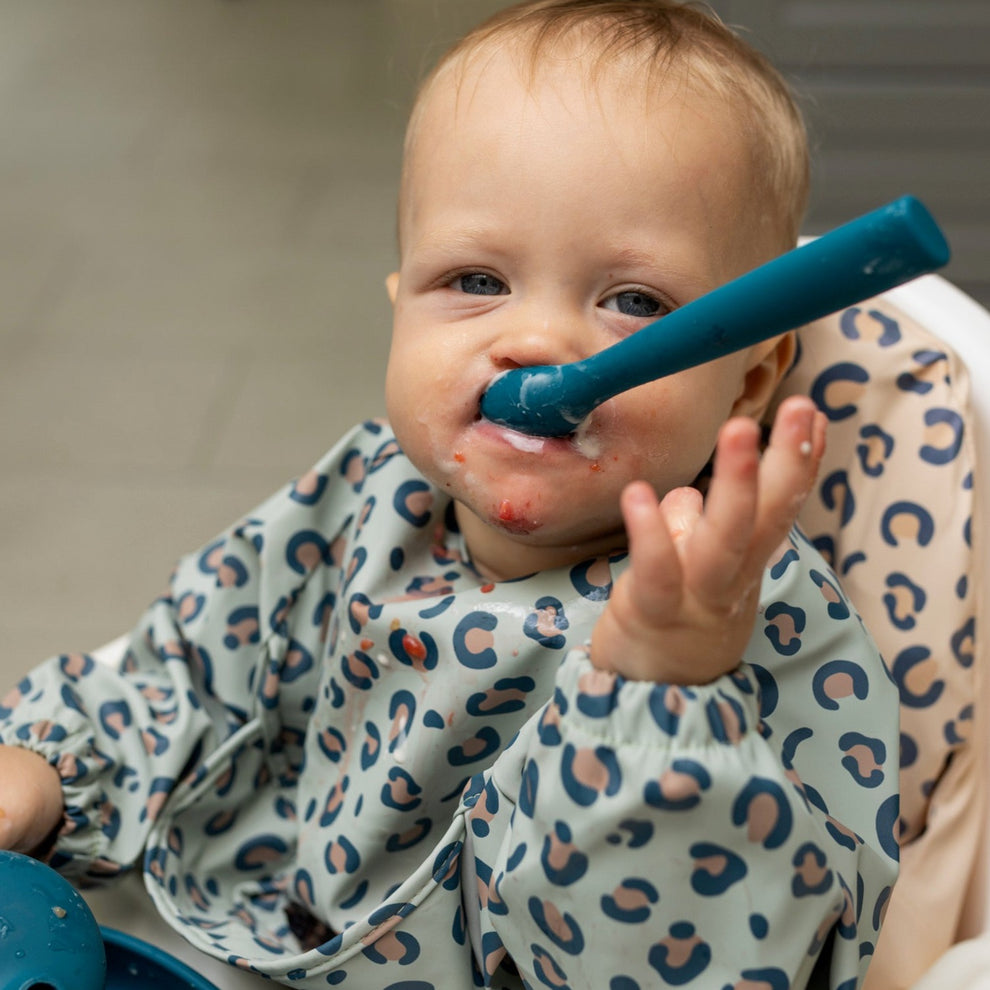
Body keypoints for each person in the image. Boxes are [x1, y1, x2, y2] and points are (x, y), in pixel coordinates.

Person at [0, 2, 899, 987]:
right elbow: (193, 659)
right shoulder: (369, 491)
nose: (537, 343)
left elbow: (696, 954)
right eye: (476, 280)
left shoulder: (741, 609)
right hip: (255, 925)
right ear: (400, 307)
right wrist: (52, 765)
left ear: (751, 376)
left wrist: (660, 692)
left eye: (635, 302)